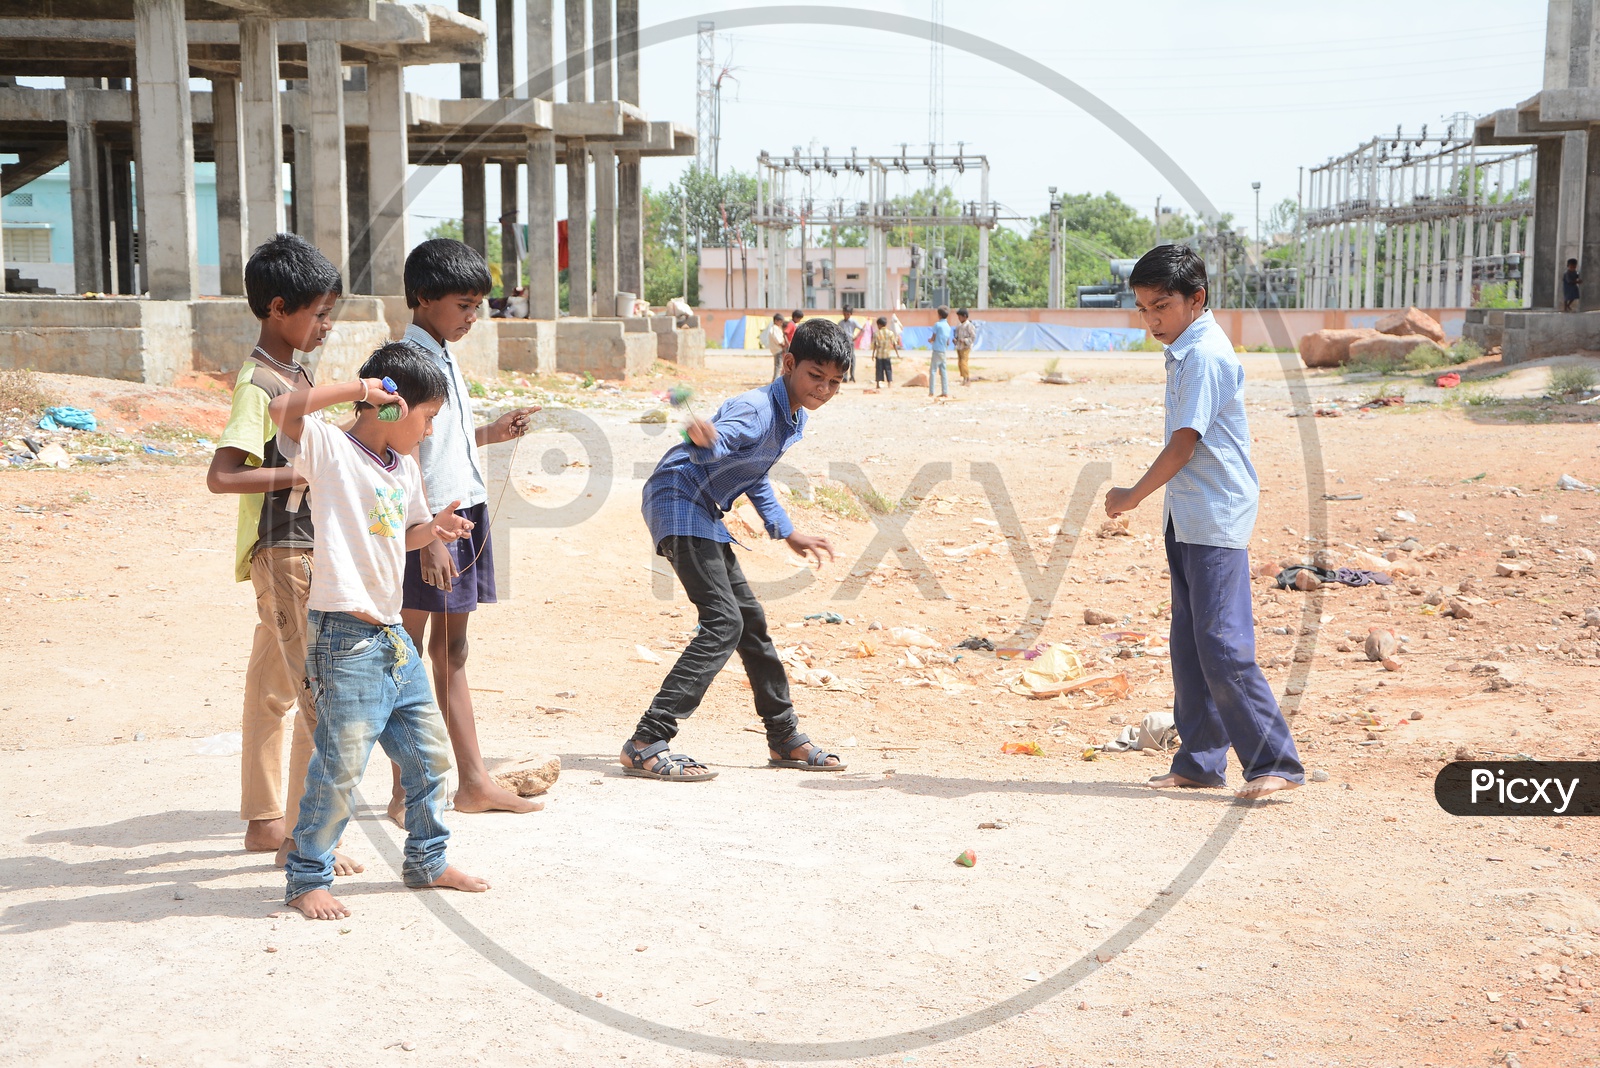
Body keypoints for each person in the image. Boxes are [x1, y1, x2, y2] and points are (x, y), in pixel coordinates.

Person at [270, 342, 489, 919]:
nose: (431, 429)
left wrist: (436, 529)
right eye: (428, 417)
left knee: (429, 758)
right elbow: (282, 412)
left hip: (392, 638)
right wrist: (361, 391)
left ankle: (428, 860)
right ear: (393, 408)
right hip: (344, 636)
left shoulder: (406, 467)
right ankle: (307, 878)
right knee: (340, 765)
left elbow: (407, 532)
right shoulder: (332, 450)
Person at [1103, 244, 1303, 801]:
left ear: (1198, 299)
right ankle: (1199, 760)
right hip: (1188, 515)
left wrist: (1131, 495)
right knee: (1189, 645)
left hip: (1214, 515)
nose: (1151, 322)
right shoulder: (1185, 352)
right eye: (1143, 309)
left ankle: (1275, 760)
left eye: (1161, 307)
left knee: (1222, 644)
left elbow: (1183, 445)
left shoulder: (1207, 355)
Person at [624, 318, 853, 781]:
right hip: (679, 499)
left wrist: (786, 531)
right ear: (788, 364)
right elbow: (718, 444)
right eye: (815, 376)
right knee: (724, 621)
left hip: (701, 508)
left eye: (834, 382)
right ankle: (647, 739)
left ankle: (784, 737)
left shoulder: (793, 415)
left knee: (749, 622)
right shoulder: (755, 408)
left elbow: (753, 473)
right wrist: (705, 439)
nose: (824, 389)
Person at [206, 233, 362, 872]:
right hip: (287, 551)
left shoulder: (297, 374)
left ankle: (265, 822)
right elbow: (222, 474)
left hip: (304, 546)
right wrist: (296, 477)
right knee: (318, 691)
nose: (326, 326)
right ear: (278, 308)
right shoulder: (259, 381)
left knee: (272, 688)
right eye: (319, 313)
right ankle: (305, 835)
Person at [393, 238, 541, 818]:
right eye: (464, 304)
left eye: (479, 304)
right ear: (425, 298)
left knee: (451, 649)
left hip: (462, 514)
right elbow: (398, 453)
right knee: (403, 651)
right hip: (431, 523)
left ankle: (473, 781)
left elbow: (437, 441)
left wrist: (488, 435)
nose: (473, 316)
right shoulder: (407, 362)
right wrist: (426, 532)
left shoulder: (444, 353)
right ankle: (406, 788)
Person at [928, 306, 953, 398]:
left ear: (939, 315)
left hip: (936, 350)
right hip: (943, 350)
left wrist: (930, 340)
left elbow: (933, 337)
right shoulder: (948, 326)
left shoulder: (937, 325)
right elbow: (948, 341)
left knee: (933, 371)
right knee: (943, 371)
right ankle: (945, 391)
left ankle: (931, 391)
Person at [871, 314, 899, 389]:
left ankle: (878, 384)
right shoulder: (890, 333)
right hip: (887, 355)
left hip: (879, 355)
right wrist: (897, 354)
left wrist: (873, 355)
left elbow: (875, 345)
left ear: (879, 325)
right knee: (888, 369)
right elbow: (894, 344)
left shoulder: (876, 334)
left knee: (878, 370)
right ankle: (889, 383)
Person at [953, 307, 977, 387]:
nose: (959, 318)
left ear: (965, 316)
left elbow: (973, 337)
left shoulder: (969, 325)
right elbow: (956, 335)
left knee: (964, 362)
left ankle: (967, 378)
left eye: (960, 317)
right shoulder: (959, 326)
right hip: (959, 347)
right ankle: (964, 378)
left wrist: (965, 341)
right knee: (960, 363)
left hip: (966, 347)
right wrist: (955, 340)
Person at [838, 307, 861, 383]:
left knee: (852, 359)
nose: (846, 315)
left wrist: (856, 337)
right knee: (844, 359)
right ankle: (844, 377)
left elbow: (862, 329)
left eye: (847, 314)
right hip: (843, 342)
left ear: (850, 314)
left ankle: (852, 376)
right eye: (844, 314)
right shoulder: (840, 323)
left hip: (850, 342)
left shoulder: (853, 322)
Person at [762, 313, 787, 380]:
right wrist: (784, 345)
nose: (781, 323)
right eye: (780, 322)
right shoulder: (774, 329)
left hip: (777, 349)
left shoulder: (776, 328)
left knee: (779, 366)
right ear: (776, 321)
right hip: (778, 349)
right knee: (778, 366)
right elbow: (778, 340)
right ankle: (775, 381)